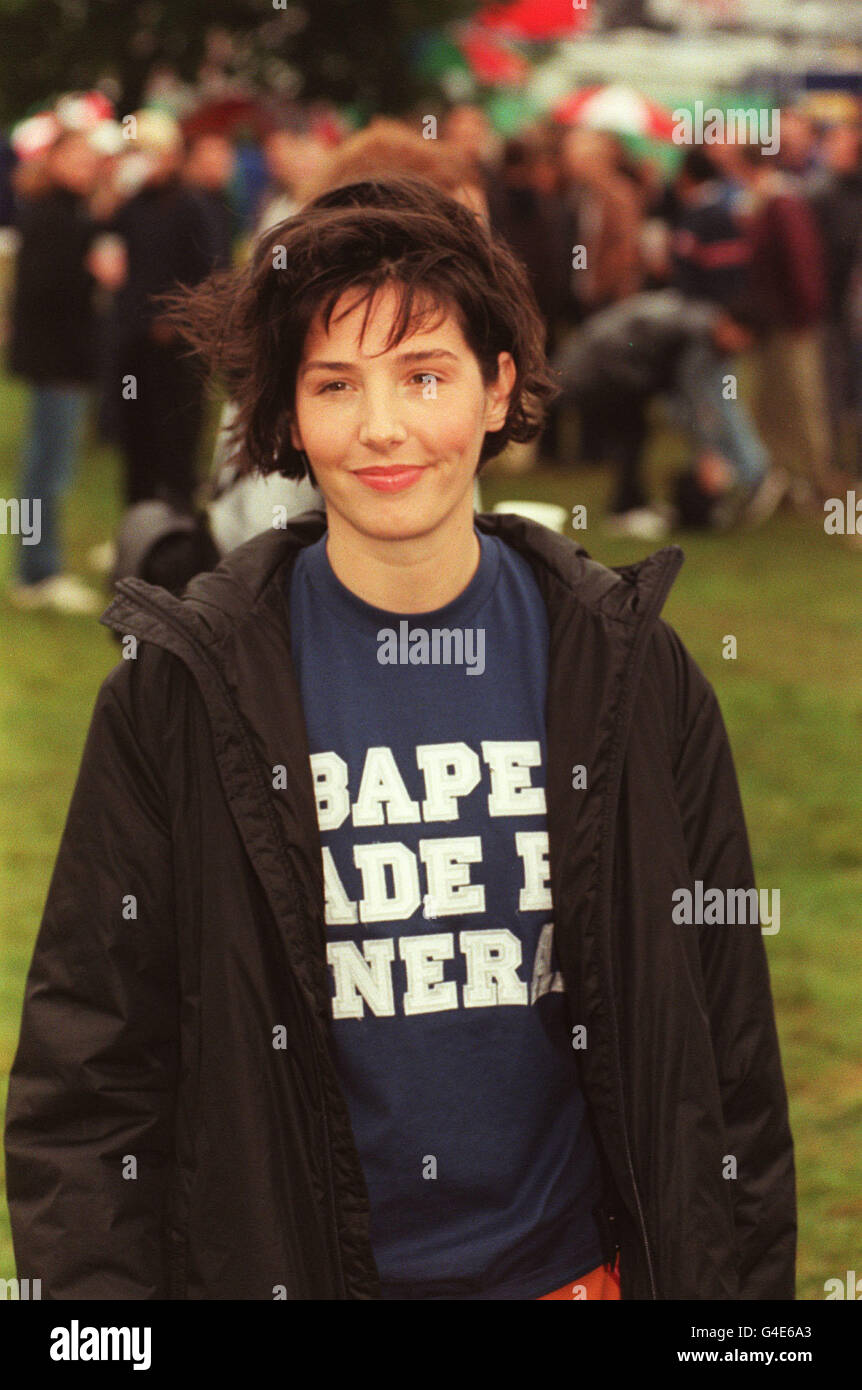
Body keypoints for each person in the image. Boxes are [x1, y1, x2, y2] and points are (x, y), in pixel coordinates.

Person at [5, 175, 796, 1301]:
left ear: (495, 390)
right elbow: (88, 1083)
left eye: (424, 375)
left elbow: (728, 1061)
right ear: (286, 414)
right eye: (335, 384)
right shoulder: (182, 691)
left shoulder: (627, 665)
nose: (380, 426)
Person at [7, 130, 105, 614]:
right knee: (47, 471)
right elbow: (46, 294)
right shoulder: (54, 216)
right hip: (57, 363)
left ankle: (37, 568)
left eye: (91, 157)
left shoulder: (69, 213)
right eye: (76, 156)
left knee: (44, 467)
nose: (86, 166)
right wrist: (95, 275)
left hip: (60, 361)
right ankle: (37, 572)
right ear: (55, 160)